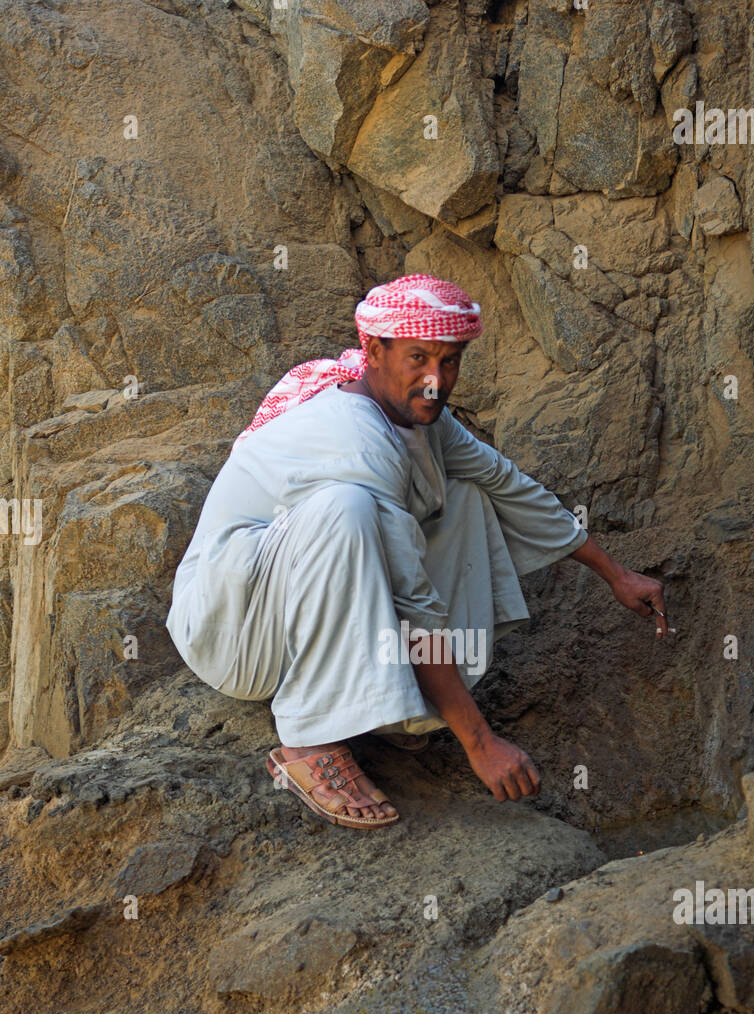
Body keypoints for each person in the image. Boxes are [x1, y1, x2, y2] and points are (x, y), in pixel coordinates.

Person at [166, 273, 669, 829]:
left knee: (470, 496)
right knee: (346, 510)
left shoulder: (422, 418)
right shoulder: (354, 437)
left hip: (285, 609)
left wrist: (615, 574)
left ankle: (398, 711)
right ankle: (308, 739)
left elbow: (510, 484)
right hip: (231, 630)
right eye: (418, 358)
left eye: (449, 361)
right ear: (374, 351)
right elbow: (411, 602)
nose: (435, 381)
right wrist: (478, 740)